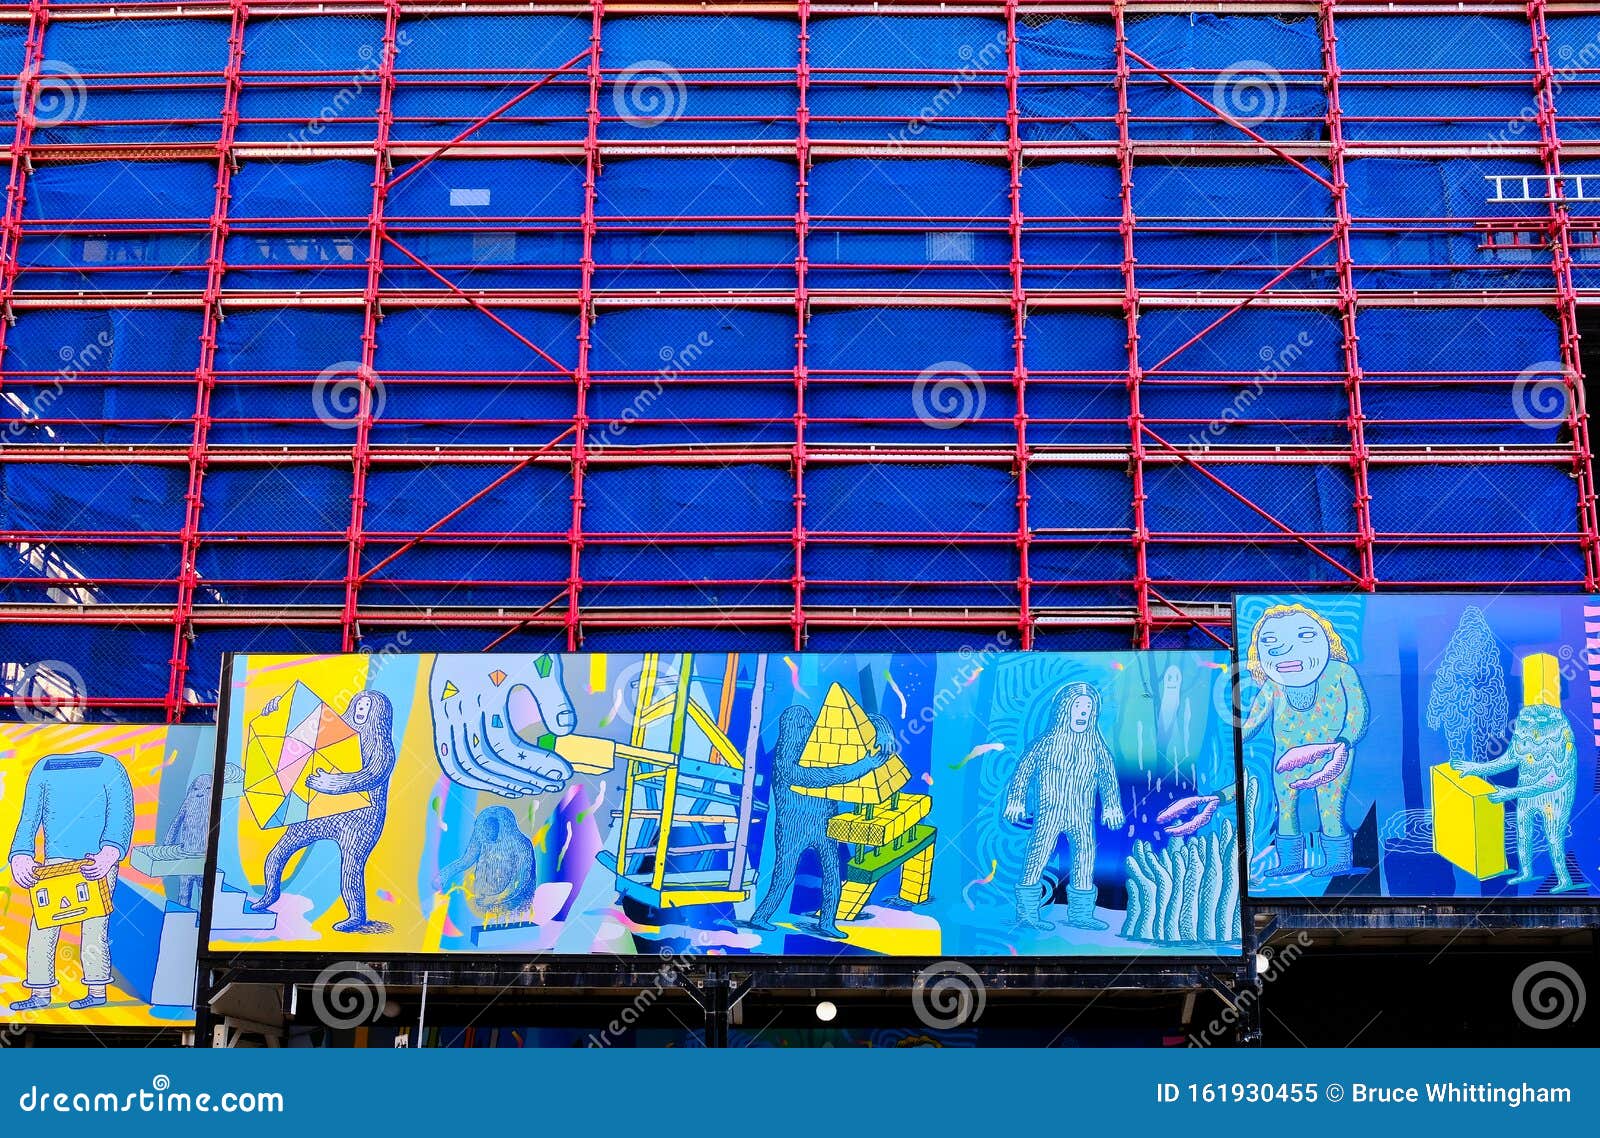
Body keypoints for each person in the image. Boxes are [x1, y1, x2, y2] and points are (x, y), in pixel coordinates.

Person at [7, 751, 134, 1012]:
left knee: (94, 927)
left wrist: (109, 852)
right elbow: (29, 816)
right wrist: (21, 854)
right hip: (56, 864)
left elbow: (121, 814)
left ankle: (97, 989)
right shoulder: (45, 769)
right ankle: (40, 991)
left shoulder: (110, 768)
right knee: (43, 927)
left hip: (94, 862)